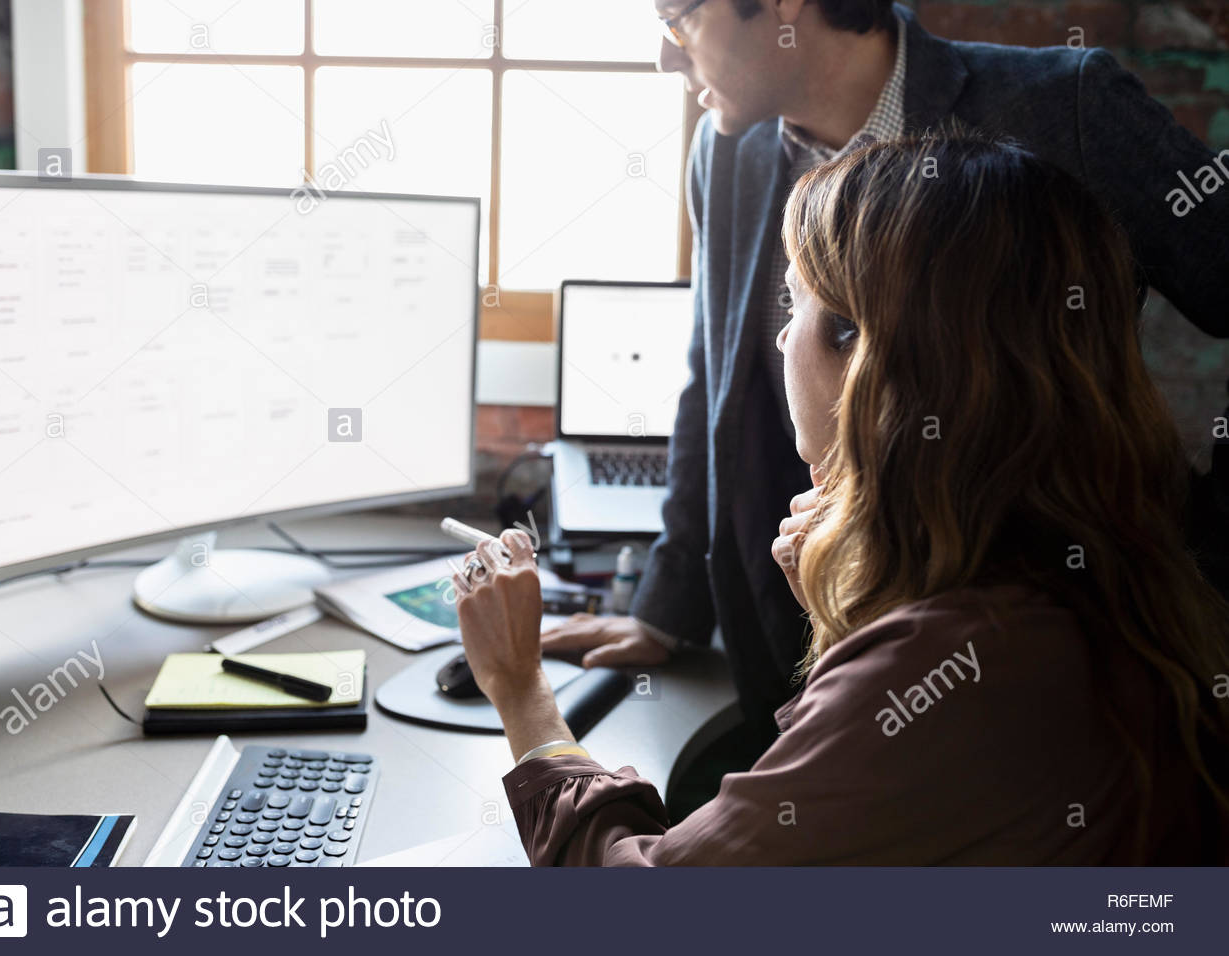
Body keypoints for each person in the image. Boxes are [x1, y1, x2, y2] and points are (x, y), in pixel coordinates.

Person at [453, 136, 1229, 865]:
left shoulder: (965, 656)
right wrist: (848, 620)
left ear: (872, 356)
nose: (783, 341)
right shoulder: (1102, 581)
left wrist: (521, 692)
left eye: (798, 308)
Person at [541, 0, 1229, 762]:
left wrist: (1211, 545)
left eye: (677, 20)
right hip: (796, 632)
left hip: (1027, 677)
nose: (667, 58)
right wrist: (663, 609)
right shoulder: (725, 148)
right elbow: (714, 384)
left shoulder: (1065, 106)